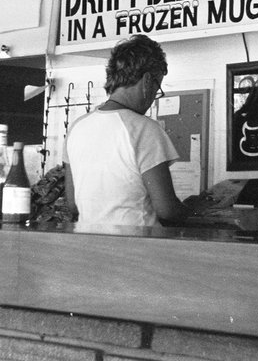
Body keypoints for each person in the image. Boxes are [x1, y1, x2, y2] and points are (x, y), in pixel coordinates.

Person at [64, 34, 191, 227]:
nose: (154, 96)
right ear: (148, 81)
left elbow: (73, 204)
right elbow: (166, 210)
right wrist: (194, 207)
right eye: (157, 87)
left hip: (87, 246)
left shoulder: (77, 127)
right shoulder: (145, 129)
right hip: (136, 248)